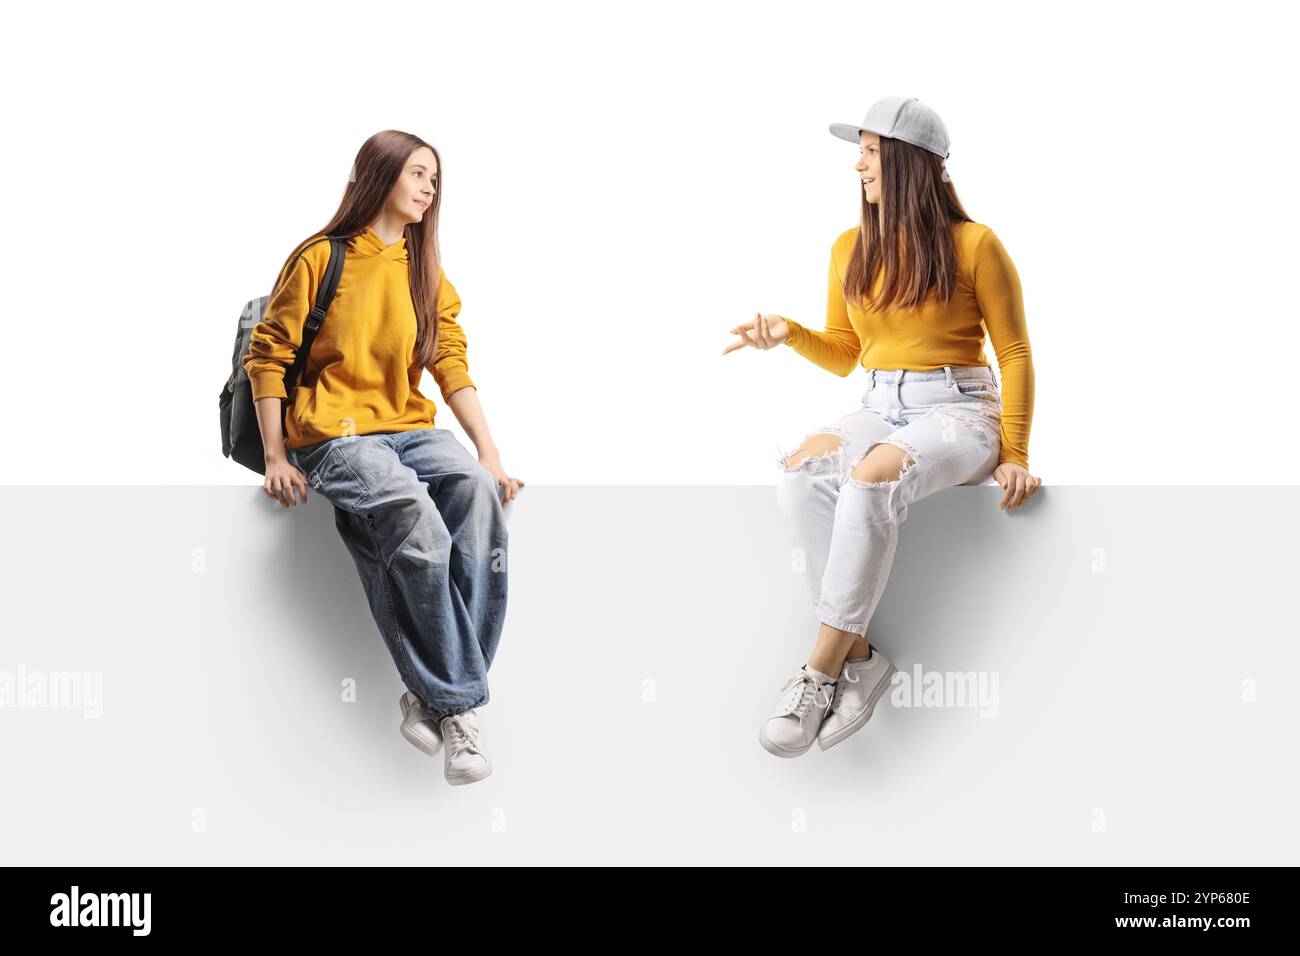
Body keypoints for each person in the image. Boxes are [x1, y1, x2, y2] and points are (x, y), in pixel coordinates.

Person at [724, 97, 1041, 758]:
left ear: (908, 163)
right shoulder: (849, 248)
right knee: (803, 473)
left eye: (869, 152)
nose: (858, 166)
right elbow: (845, 353)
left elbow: (1013, 354)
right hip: (881, 400)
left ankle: (818, 673)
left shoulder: (976, 244)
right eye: (859, 153)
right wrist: (789, 335)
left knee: (869, 480)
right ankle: (861, 659)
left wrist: (1014, 452)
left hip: (960, 408)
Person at [243, 129, 523, 785]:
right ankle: (458, 713)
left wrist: (489, 453)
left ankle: (434, 697)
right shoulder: (320, 257)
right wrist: (278, 455)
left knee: (478, 498)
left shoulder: (424, 272)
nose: (429, 188)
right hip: (332, 435)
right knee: (412, 518)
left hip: (408, 429)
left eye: (435, 179)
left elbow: (449, 361)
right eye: (418, 174)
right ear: (381, 175)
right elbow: (270, 356)